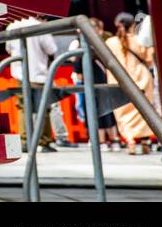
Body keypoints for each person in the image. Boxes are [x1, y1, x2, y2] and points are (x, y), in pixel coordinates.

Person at [9, 15, 69, 150]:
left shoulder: (12, 26)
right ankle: (44, 141)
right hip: (38, 73)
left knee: (24, 108)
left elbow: (9, 49)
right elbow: (51, 49)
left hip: (19, 74)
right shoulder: (40, 27)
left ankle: (25, 141)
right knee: (44, 108)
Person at [104, 12, 157, 154]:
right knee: (144, 111)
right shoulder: (140, 40)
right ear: (133, 25)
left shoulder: (110, 42)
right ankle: (145, 143)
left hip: (119, 81)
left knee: (123, 113)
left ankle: (131, 142)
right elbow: (149, 59)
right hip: (141, 79)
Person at [70, 18, 122, 151]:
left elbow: (78, 69)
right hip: (107, 80)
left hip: (91, 82)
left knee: (94, 111)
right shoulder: (107, 43)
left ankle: (101, 142)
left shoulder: (84, 45)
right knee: (108, 110)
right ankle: (114, 140)